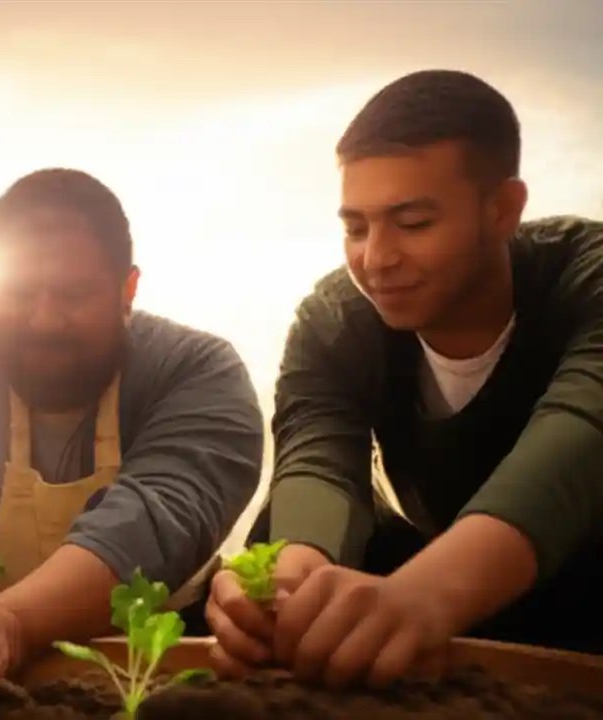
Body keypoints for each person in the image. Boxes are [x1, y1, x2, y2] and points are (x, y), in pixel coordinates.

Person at [206, 69, 603, 690]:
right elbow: (319, 460)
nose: (376, 258)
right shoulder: (335, 319)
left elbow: (581, 438)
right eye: (356, 227)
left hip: (577, 587)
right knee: (279, 550)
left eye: (413, 223)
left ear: (503, 210)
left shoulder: (587, 277)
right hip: (450, 596)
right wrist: (289, 582)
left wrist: (425, 594)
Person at [0, 168, 264, 707]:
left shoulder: (197, 371)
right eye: (19, 293)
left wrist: (12, 624)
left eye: (74, 295)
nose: (43, 320)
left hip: (160, 670)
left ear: (127, 288)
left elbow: (157, 511)